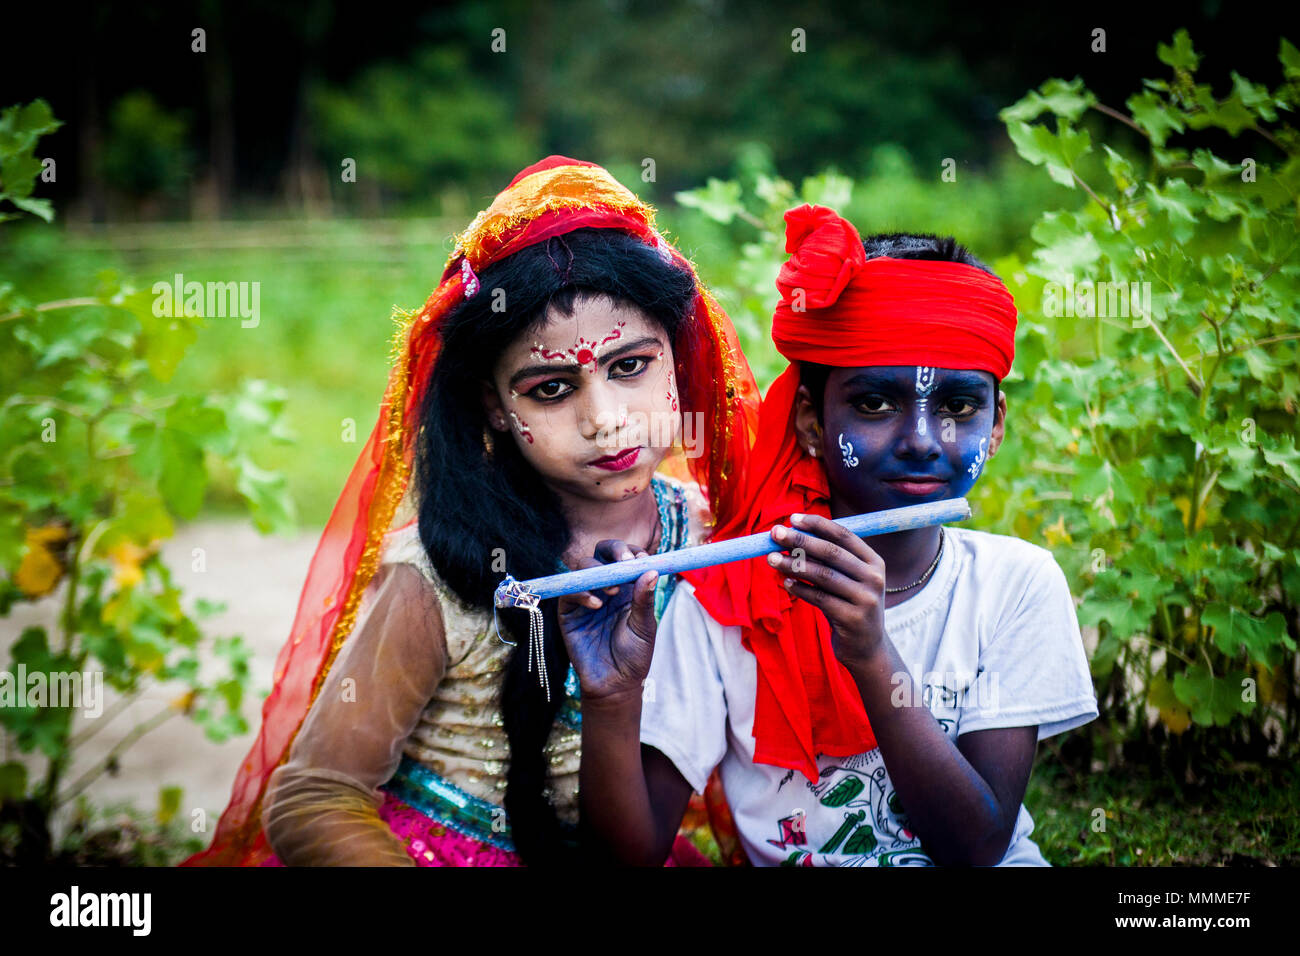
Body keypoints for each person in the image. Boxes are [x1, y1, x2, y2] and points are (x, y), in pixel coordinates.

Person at [181, 156, 759, 867]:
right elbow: (315, 794)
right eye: (551, 390)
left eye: (631, 367)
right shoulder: (442, 569)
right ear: (493, 404)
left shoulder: (717, 539)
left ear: (681, 354)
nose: (606, 421)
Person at [563, 203, 1099, 866]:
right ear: (813, 421)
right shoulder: (724, 602)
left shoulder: (1016, 584)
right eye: (875, 403)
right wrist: (611, 697)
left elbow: (979, 846)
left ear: (995, 426)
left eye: (959, 407)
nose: (922, 442)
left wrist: (870, 652)